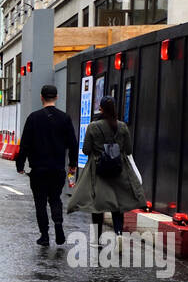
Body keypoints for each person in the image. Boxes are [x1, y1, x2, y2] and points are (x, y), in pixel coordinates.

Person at [68, 96, 146, 245]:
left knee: (98, 205)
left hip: (98, 170)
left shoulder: (93, 126)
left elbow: (86, 150)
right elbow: (128, 149)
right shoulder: (122, 126)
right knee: (118, 204)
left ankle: (96, 239)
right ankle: (118, 234)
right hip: (119, 170)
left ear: (101, 109)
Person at [16, 83, 79, 246]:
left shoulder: (33, 118)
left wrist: (20, 165)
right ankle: (58, 226)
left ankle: (44, 235)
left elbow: (25, 144)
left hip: (38, 169)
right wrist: (72, 164)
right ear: (56, 97)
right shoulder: (64, 118)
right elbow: (73, 143)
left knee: (40, 202)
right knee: (55, 199)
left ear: (41, 97)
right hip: (57, 169)